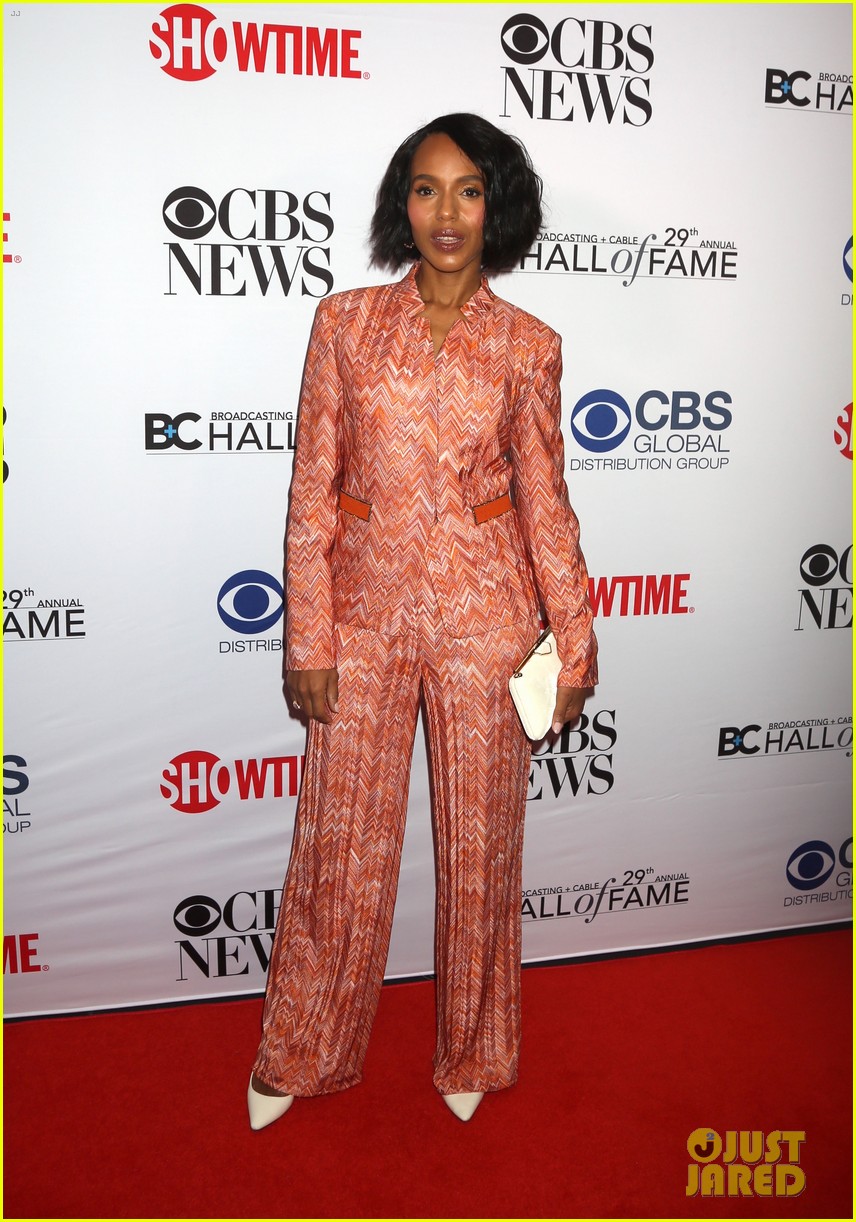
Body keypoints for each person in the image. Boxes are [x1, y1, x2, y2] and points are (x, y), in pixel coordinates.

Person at [248, 113, 598, 1128]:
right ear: (403, 203)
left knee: (481, 847)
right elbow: (311, 489)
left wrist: (572, 641)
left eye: (469, 190)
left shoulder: (529, 345)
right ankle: (303, 1047)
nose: (446, 213)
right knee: (336, 846)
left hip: (486, 618)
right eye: (426, 189)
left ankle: (475, 1049)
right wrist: (306, 635)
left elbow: (546, 503)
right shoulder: (345, 323)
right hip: (358, 615)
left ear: (498, 205)